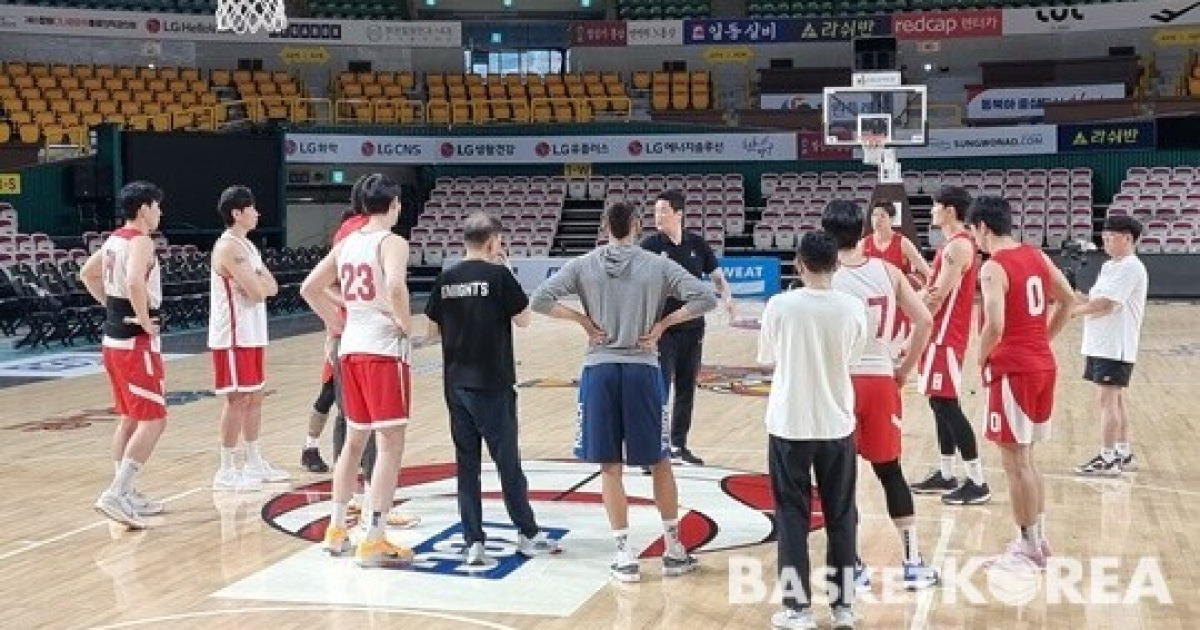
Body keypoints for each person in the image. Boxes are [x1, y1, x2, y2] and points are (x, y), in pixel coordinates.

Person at [530, 201, 716, 583]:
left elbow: (539, 300)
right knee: (660, 462)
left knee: (610, 467)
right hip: (642, 370)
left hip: (599, 370)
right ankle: (673, 549)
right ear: (636, 226)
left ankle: (624, 554)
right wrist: (664, 324)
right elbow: (706, 298)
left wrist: (582, 320)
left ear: (604, 227)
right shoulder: (658, 265)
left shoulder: (583, 264)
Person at [424, 213, 559, 565]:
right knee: (507, 463)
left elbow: (432, 332)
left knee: (467, 465)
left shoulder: (446, 278)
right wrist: (508, 270)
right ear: (492, 241)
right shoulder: (500, 276)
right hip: (493, 384)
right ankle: (527, 533)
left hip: (455, 384)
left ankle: (474, 542)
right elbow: (524, 319)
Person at [300, 174, 415, 567]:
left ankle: (336, 530)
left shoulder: (347, 242)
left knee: (353, 442)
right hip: (382, 350)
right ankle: (374, 537)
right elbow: (396, 287)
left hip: (349, 349)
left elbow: (310, 287)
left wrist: (336, 322)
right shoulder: (392, 242)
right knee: (389, 445)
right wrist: (405, 324)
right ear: (394, 205)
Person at [824, 201, 939, 590]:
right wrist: (904, 369)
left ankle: (851, 566)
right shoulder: (888, 271)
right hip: (880, 378)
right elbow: (925, 320)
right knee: (891, 473)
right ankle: (913, 562)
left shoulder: (826, 276)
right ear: (862, 230)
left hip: (840, 382)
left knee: (841, 477)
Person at [760, 231, 866, 630]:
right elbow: (852, 359)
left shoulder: (779, 305)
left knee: (791, 515)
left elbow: (768, 358)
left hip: (789, 423)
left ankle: (797, 609)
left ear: (799, 264)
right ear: (836, 265)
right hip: (836, 423)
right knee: (842, 515)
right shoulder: (853, 307)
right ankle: (843, 607)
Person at [969, 196, 1074, 568]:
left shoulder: (993, 267)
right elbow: (1068, 300)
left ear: (982, 227)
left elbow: (995, 323)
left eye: (973, 231)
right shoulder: (1037, 255)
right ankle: (1037, 539)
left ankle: (1027, 546)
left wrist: (980, 356)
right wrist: (1042, 339)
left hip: (1013, 370)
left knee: (1015, 462)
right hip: (1042, 365)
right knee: (1026, 459)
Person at [79, 181, 168, 529]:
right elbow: (133, 282)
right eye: (157, 206)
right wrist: (144, 320)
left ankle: (125, 492)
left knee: (129, 417)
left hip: (113, 341)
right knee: (154, 420)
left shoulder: (114, 239)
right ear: (144, 209)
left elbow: (87, 274)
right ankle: (116, 493)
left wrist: (113, 308)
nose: (160, 212)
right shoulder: (141, 241)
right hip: (135, 344)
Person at [639, 190, 733, 466]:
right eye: (656, 211)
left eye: (663, 211)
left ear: (678, 214)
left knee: (686, 389)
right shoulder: (649, 246)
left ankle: (679, 445)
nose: (658, 216)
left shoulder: (697, 245)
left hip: (693, 329)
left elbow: (717, 276)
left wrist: (728, 298)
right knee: (659, 390)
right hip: (661, 329)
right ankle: (653, 450)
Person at [910, 186, 991, 505]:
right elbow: (933, 291)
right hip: (938, 334)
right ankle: (946, 474)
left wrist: (912, 329)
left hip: (945, 335)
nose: (931, 211)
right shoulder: (952, 244)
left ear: (950, 211)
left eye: (935, 206)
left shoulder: (958, 246)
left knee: (946, 404)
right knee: (938, 402)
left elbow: (937, 297)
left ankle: (978, 481)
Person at [209, 185, 286, 491]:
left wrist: (259, 285)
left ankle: (253, 461)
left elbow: (273, 286)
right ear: (237, 213)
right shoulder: (227, 247)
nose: (258, 213)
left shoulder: (248, 246)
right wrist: (258, 285)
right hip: (233, 336)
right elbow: (257, 291)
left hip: (253, 332)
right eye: (252, 208)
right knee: (237, 399)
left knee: (255, 397)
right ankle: (226, 468)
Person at [1071, 215, 1148, 475]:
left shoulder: (1131, 267)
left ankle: (1107, 457)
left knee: (1108, 401)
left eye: (1110, 237)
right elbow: (1095, 299)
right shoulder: (1109, 267)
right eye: (1103, 237)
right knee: (1116, 400)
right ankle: (1123, 452)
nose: (1105, 241)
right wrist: (1070, 296)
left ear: (1127, 238)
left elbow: (1106, 304)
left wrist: (1072, 312)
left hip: (1115, 346)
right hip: (1100, 343)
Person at [860, 200, 932, 349]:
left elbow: (927, 271)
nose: (877, 219)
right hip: (873, 305)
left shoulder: (902, 243)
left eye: (882, 216)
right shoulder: (864, 244)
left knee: (897, 351)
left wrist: (924, 291)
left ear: (892, 219)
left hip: (898, 305)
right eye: (874, 215)